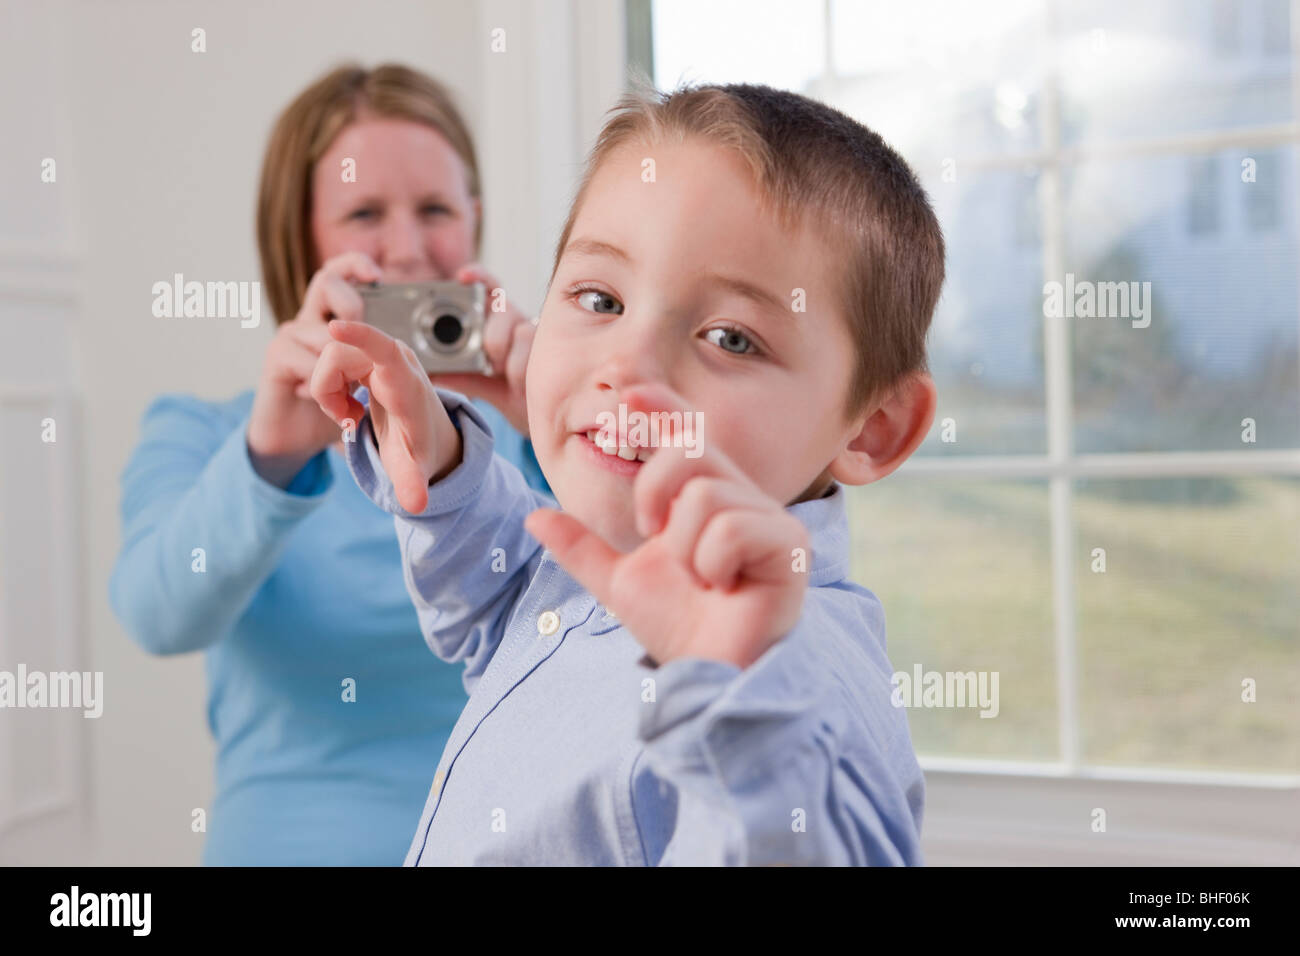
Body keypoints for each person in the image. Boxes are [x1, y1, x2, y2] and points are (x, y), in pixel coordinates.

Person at [309, 82, 943, 864]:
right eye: (600, 298)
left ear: (874, 427)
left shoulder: (792, 672)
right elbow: (501, 619)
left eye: (731, 339)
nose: (627, 363)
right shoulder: (625, 557)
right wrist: (440, 464)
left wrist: (736, 706)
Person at [108, 63, 548, 865]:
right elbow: (155, 616)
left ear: (474, 223)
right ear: (299, 236)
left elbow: (633, 628)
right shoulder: (203, 433)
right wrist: (273, 452)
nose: (410, 249)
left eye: (437, 210)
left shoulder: (524, 435)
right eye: (364, 212)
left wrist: (553, 425)